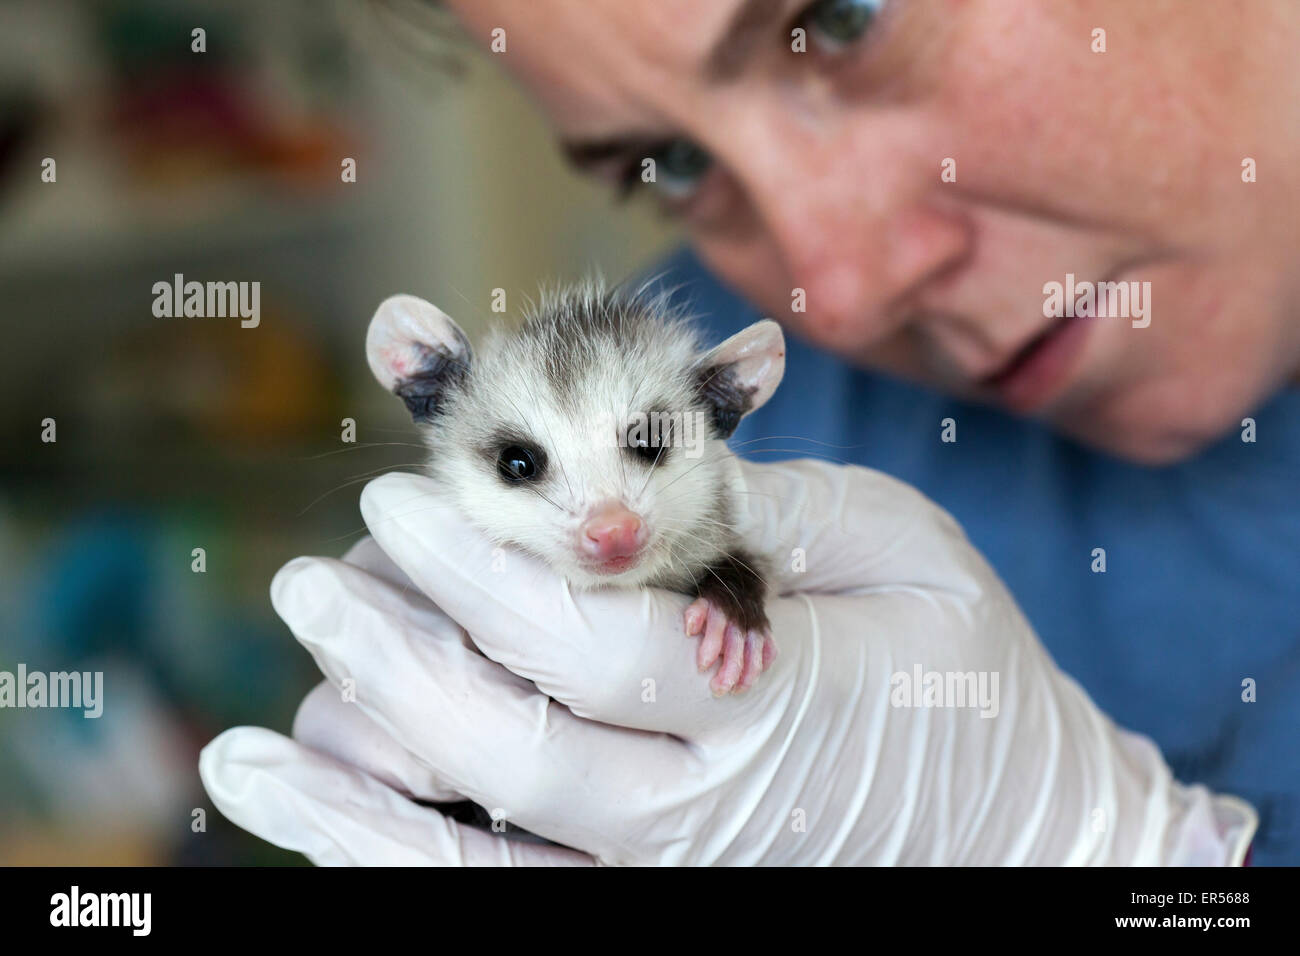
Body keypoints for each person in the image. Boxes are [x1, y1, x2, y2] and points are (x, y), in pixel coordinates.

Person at [201, 0, 1298, 864]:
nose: (842, 292)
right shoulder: (726, 382)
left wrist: (1140, 859)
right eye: (671, 162)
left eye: (846, 14)